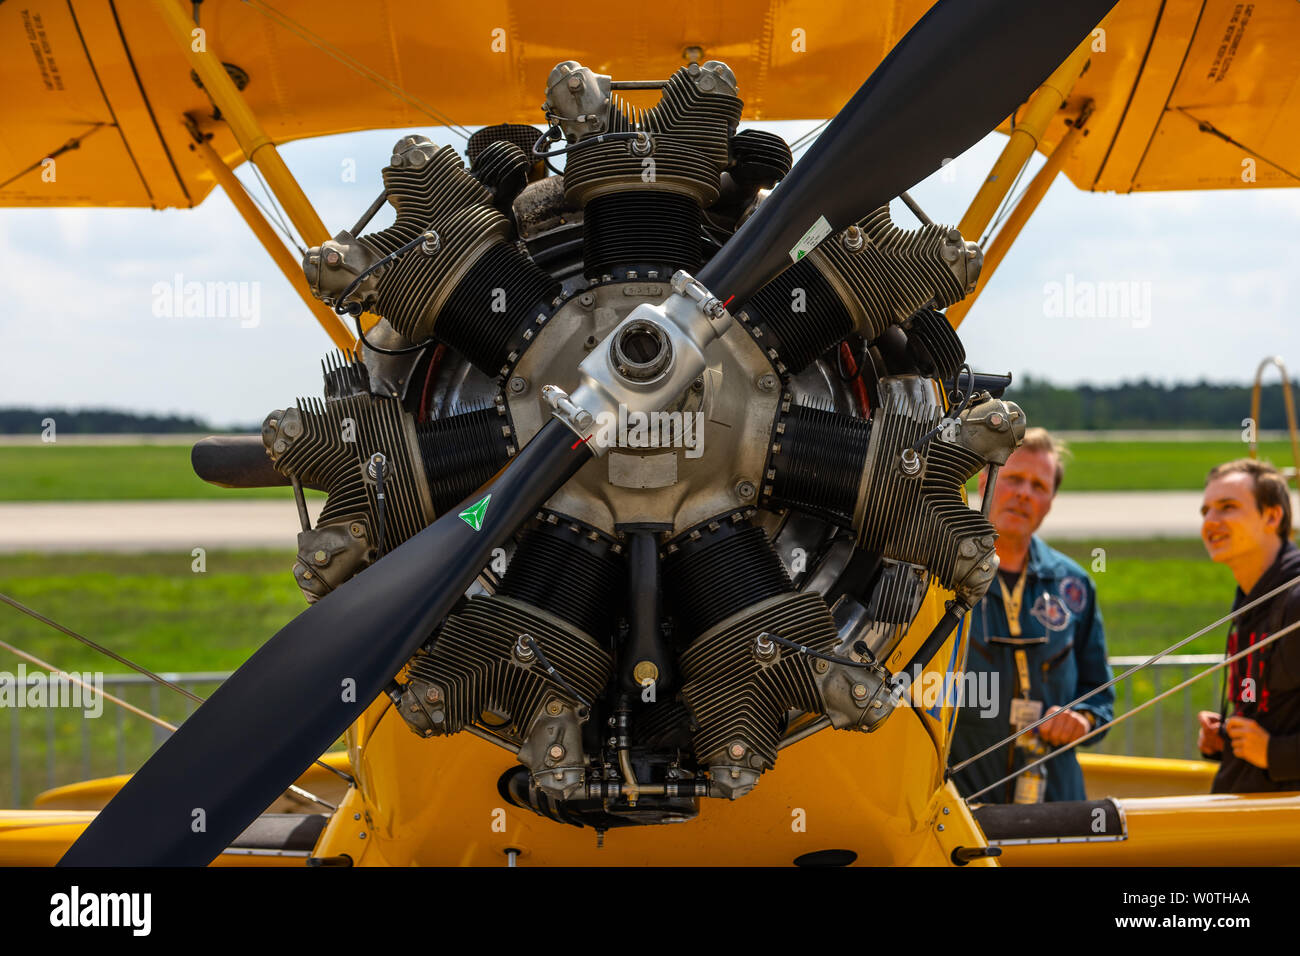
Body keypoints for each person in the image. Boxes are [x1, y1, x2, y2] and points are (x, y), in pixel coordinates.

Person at [949, 427, 1114, 803]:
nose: (1024, 494)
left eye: (1039, 486)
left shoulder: (1074, 585)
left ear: (1051, 501)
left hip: (1055, 801)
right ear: (985, 480)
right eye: (1015, 479)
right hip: (958, 804)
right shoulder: (938, 573)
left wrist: (1082, 718)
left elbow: (1100, 694)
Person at [1195, 458, 1300, 792]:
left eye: (1227, 507)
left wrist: (1275, 752)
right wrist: (1227, 737)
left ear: (1272, 516)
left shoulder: (1295, 602)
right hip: (1247, 810)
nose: (1211, 522)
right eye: (1206, 511)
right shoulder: (1252, 598)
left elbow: (1274, 747)